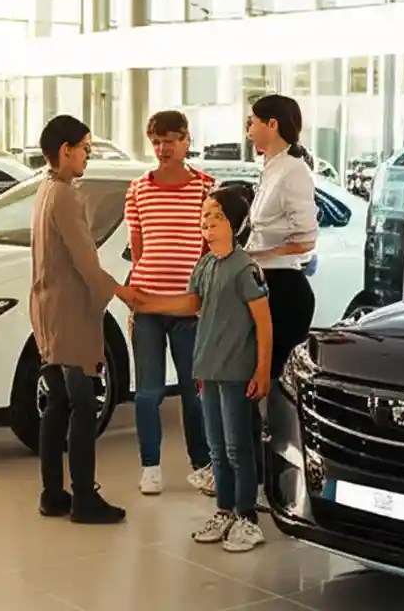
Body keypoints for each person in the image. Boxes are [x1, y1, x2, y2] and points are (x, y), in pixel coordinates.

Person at [134, 187, 273, 551]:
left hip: (236, 372)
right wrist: (144, 302)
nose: (207, 226)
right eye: (204, 219)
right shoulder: (206, 264)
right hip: (208, 369)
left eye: (216, 219)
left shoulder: (246, 268)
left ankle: (247, 518)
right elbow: (191, 304)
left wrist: (262, 370)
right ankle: (224, 510)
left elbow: (264, 323)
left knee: (237, 446)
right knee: (215, 447)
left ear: (237, 224)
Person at [30, 114, 139, 525]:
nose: (87, 158)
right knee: (82, 404)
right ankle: (84, 497)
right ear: (66, 151)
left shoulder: (44, 191)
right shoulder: (67, 196)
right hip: (72, 313)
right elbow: (86, 264)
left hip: (47, 309)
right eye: (86, 150)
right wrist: (123, 293)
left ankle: (52, 492)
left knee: (57, 402)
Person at [123, 110, 214, 497]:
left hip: (188, 307)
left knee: (195, 392)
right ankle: (150, 466)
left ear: (186, 140)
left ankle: (202, 463)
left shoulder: (207, 188)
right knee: (148, 391)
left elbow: (211, 249)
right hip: (147, 305)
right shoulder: (138, 189)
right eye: (157, 142)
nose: (163, 148)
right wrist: (134, 300)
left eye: (171, 140)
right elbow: (140, 250)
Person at [244, 94, 318, 509]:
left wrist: (255, 256)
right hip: (262, 285)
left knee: (273, 390)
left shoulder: (293, 171)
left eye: (253, 121)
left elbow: (306, 239)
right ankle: (257, 480)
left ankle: (279, 483)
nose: (249, 129)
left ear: (272, 124)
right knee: (259, 387)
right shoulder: (270, 169)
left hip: (284, 289)